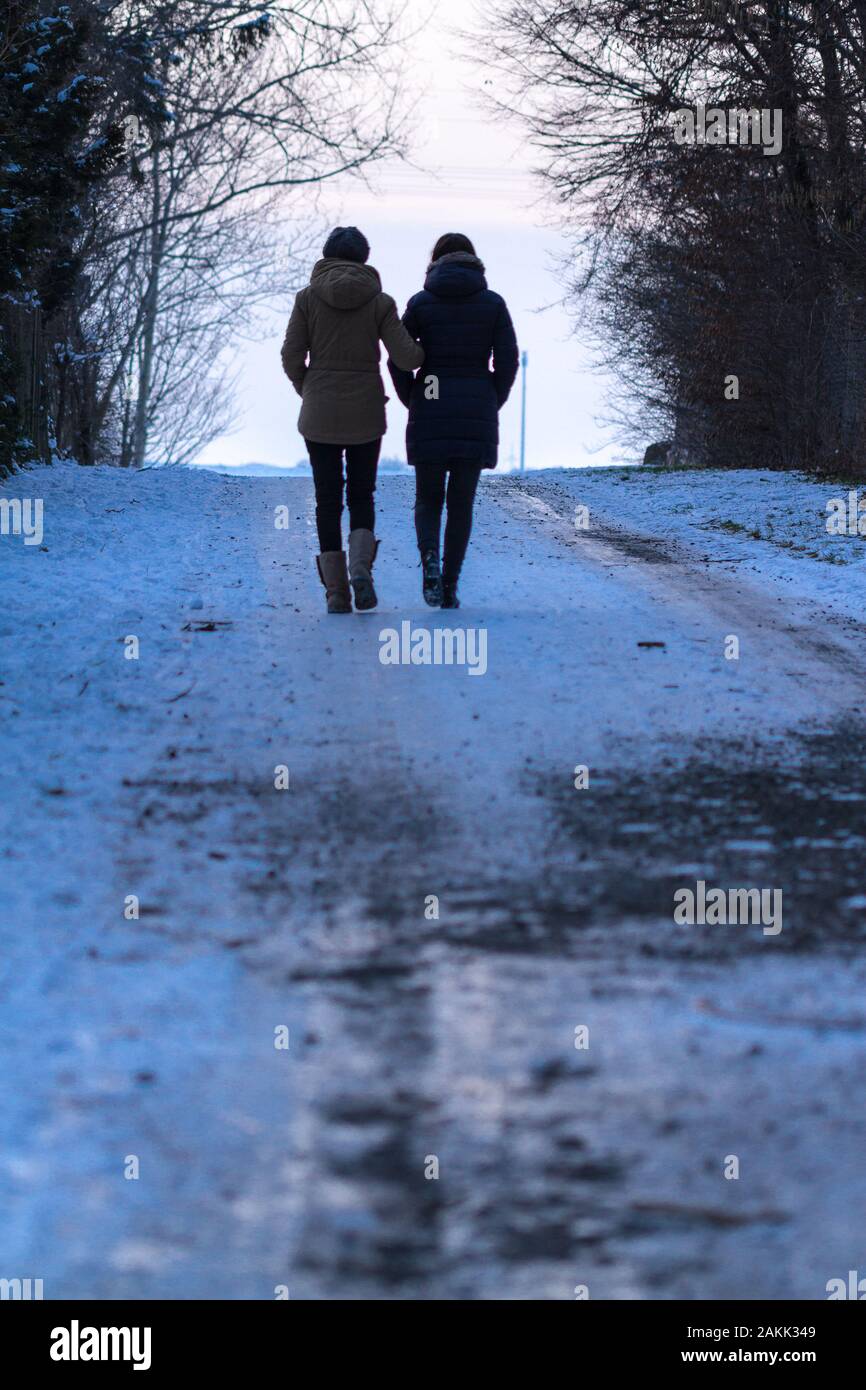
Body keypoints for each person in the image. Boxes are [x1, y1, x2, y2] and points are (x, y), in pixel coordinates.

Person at [281, 226, 424, 613]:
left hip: (319, 411)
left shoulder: (307, 299)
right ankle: (361, 569)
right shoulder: (380, 302)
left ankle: (336, 593)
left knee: (327, 499)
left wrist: (307, 387)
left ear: (327, 255)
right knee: (361, 494)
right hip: (365, 410)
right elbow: (407, 358)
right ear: (365, 259)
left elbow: (291, 356)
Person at [388, 233, 519, 608]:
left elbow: (397, 357)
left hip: (430, 394)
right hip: (476, 401)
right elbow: (507, 362)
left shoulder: (421, 304)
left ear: (435, 263)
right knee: (461, 502)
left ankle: (429, 559)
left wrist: (413, 397)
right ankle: (449, 585)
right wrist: (491, 398)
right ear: (474, 262)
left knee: (428, 499)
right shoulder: (493, 304)